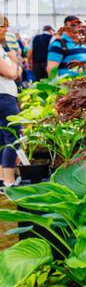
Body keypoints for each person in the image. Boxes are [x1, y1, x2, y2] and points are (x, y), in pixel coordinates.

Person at [0, 17, 22, 187]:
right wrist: (14, 62)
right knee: (13, 136)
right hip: (4, 96)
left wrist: (14, 67)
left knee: (3, 137)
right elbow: (12, 72)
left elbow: (18, 72)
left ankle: (3, 177)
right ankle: (9, 180)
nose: (5, 30)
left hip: (6, 95)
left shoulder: (2, 48)